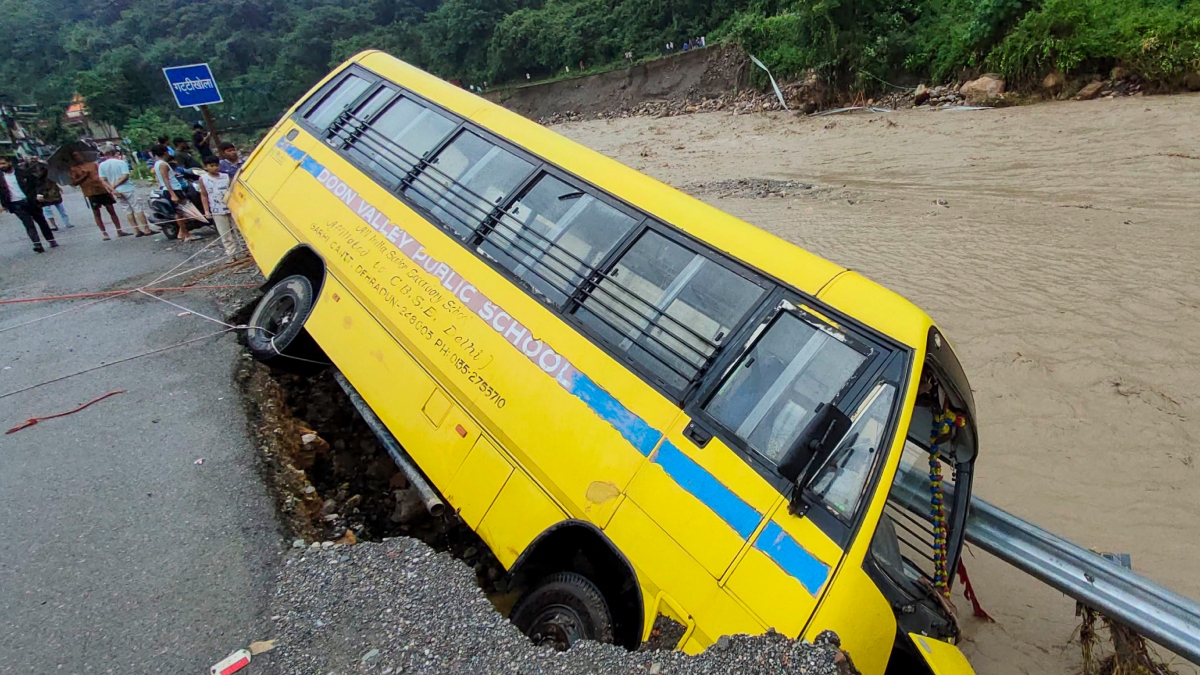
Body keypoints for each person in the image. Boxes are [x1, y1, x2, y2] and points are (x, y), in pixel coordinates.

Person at [0, 156, 58, 252]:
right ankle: (37, 245)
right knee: (28, 224)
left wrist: (39, 194)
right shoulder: (1, 178)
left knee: (41, 221)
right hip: (16, 204)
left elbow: (36, 183)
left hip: (30, 201)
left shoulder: (22, 172)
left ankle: (51, 240)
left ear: (9, 163)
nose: (1, 166)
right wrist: (4, 204)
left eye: (3, 163)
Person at [70, 149, 128, 240]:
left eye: (78, 155)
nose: (78, 157)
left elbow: (101, 175)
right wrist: (84, 176)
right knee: (97, 213)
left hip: (102, 190)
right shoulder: (74, 169)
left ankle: (119, 230)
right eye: (75, 156)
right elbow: (74, 182)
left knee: (111, 210)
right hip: (90, 192)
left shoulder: (92, 164)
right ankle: (104, 233)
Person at [98, 144, 154, 236]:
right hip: (127, 188)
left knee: (127, 210)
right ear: (113, 152)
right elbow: (125, 176)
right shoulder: (121, 162)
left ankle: (136, 230)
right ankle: (146, 229)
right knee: (137, 208)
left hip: (116, 191)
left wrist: (112, 189)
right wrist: (116, 185)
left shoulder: (102, 166)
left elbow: (102, 180)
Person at [152, 143, 199, 242]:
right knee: (181, 212)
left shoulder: (157, 164)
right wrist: (173, 194)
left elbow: (160, 178)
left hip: (169, 188)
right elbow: (166, 179)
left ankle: (182, 232)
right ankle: (186, 234)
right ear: (165, 152)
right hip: (173, 189)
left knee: (179, 212)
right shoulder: (163, 164)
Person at [199, 155, 242, 255]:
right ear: (206, 166)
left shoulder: (226, 177)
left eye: (216, 165)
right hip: (217, 210)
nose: (215, 168)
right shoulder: (203, 179)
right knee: (225, 233)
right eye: (212, 166)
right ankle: (231, 254)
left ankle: (246, 250)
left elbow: (233, 190)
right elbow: (204, 195)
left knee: (239, 231)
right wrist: (206, 210)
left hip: (231, 208)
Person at [28, 159, 72, 229]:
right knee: (55, 208)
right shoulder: (44, 172)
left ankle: (56, 224)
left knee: (51, 209)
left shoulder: (34, 173)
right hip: (46, 191)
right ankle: (63, 223)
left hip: (48, 190)